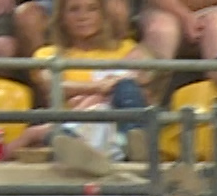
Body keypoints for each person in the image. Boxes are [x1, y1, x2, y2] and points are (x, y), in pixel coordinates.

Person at [10, 0, 150, 167]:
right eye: (74, 10)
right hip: (72, 122)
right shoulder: (47, 53)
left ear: (103, 15)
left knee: (127, 89)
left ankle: (131, 142)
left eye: (92, 9)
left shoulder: (126, 48)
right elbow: (53, 86)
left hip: (112, 121)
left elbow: (140, 78)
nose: (83, 17)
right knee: (49, 129)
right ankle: (85, 153)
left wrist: (92, 97)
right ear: (61, 17)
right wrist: (100, 87)